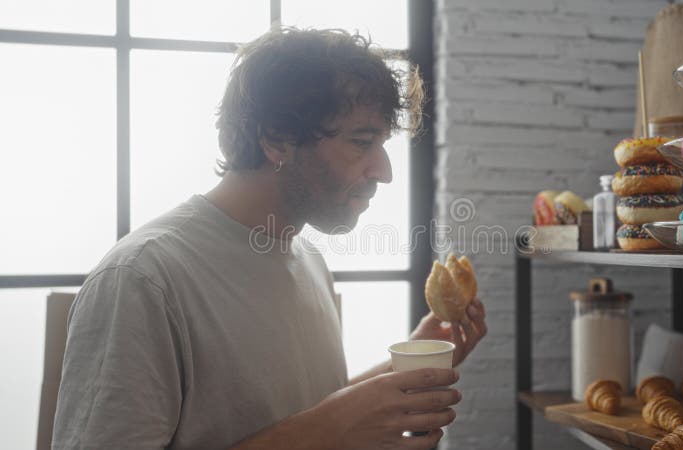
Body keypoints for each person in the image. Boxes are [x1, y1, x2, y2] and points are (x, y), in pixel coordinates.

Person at [52, 28, 487, 450]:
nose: (385, 172)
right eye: (361, 142)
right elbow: (318, 431)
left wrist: (406, 362)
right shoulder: (141, 279)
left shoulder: (306, 258)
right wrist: (328, 427)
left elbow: (300, 421)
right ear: (277, 139)